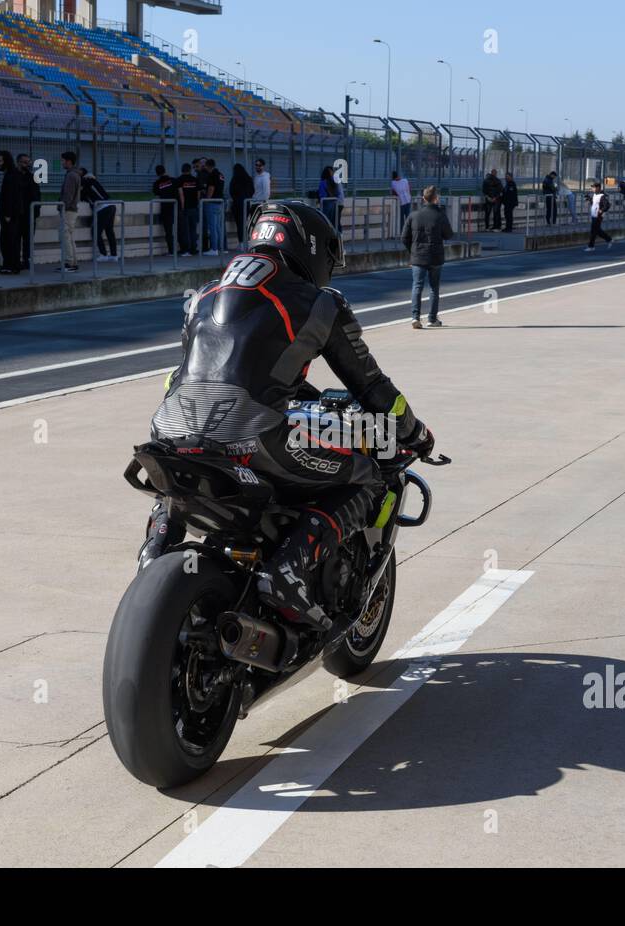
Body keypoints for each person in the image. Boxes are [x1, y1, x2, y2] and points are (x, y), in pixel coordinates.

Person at [143, 200, 435, 633]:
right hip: (252, 436)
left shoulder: (203, 295)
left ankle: (153, 551)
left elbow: (184, 376)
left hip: (167, 428)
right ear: (311, 247)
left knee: (178, 477)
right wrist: (415, 432)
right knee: (366, 477)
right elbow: (372, 387)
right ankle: (287, 571)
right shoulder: (320, 303)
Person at [403, 185, 454, 329]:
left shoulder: (414, 215)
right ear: (436, 198)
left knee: (417, 286)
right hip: (435, 256)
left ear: (423, 199)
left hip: (418, 256)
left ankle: (415, 317)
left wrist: (412, 252)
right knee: (434, 288)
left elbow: (404, 237)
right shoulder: (440, 215)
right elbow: (449, 234)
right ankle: (432, 319)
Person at [0, 150, 22, 274]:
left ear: (6, 161)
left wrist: (8, 214)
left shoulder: (11, 175)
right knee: (9, 240)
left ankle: (10, 266)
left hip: (9, 215)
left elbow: (11, 195)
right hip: (11, 214)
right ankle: (11, 265)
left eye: (0, 161)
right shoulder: (12, 173)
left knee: (8, 240)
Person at [80, 167, 116, 261]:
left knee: (95, 231)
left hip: (102, 207)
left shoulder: (85, 182)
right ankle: (113, 255)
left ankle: (103, 254)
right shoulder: (93, 180)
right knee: (109, 231)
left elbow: (82, 196)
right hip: (111, 205)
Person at [58, 151, 81, 271]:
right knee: (69, 237)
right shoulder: (74, 174)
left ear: (69, 161)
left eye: (63, 160)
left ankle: (69, 262)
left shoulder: (71, 175)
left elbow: (68, 195)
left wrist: (62, 206)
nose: (61, 163)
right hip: (71, 209)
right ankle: (73, 262)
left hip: (68, 210)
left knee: (64, 236)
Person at [16, 153, 40, 271]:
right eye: (25, 162)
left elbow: (37, 196)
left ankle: (27, 260)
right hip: (17, 214)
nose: (27, 164)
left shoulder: (33, 177)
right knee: (15, 239)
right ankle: (16, 260)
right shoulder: (14, 176)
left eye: (29, 162)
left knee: (28, 239)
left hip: (30, 214)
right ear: (18, 163)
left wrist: (36, 212)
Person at [151, 164, 178, 255]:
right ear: (165, 170)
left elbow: (156, 193)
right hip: (175, 206)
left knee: (168, 231)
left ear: (157, 173)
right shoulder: (173, 180)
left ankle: (172, 251)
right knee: (179, 229)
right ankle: (183, 249)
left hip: (165, 208)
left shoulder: (157, 183)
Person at [203, 158, 226, 256]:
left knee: (212, 227)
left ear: (208, 166)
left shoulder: (211, 175)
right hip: (220, 202)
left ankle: (214, 249)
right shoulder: (221, 175)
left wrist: (207, 199)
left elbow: (211, 188)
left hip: (212, 202)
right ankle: (221, 248)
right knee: (218, 227)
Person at [176, 162, 201, 257]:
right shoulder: (195, 180)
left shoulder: (179, 180)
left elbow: (181, 194)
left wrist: (182, 207)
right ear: (190, 170)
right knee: (193, 229)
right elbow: (198, 194)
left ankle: (185, 250)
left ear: (182, 170)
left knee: (184, 230)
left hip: (185, 207)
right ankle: (193, 249)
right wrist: (197, 203)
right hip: (194, 207)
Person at [229, 162, 255, 246]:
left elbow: (231, 191)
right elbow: (252, 190)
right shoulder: (248, 178)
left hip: (237, 204)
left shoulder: (235, 179)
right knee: (245, 223)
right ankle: (247, 241)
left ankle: (241, 242)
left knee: (239, 223)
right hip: (246, 203)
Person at [585, 180, 613, 250]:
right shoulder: (595, 195)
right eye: (592, 187)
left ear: (598, 188)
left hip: (598, 216)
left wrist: (602, 210)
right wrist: (589, 199)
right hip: (594, 215)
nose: (592, 189)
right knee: (597, 231)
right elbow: (594, 203)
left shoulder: (602, 196)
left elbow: (607, 205)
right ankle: (609, 239)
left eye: (593, 187)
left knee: (593, 231)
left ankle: (591, 246)